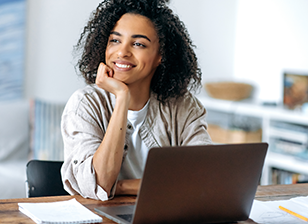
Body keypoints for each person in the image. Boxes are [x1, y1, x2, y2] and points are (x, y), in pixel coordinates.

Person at [61, 0, 212, 201]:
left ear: (161, 55)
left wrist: (121, 187)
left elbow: (203, 177)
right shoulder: (85, 104)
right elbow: (100, 182)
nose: (122, 52)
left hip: (168, 214)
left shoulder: (184, 106)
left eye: (138, 44)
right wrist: (122, 98)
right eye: (115, 40)